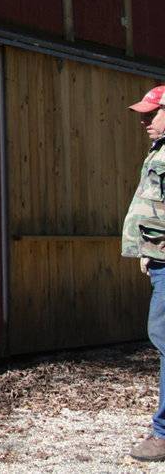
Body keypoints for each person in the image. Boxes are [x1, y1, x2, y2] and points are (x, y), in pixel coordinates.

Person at [124, 85, 165, 462]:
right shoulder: (159, 149)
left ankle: (163, 434)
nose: (144, 120)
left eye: (152, 113)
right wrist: (149, 250)